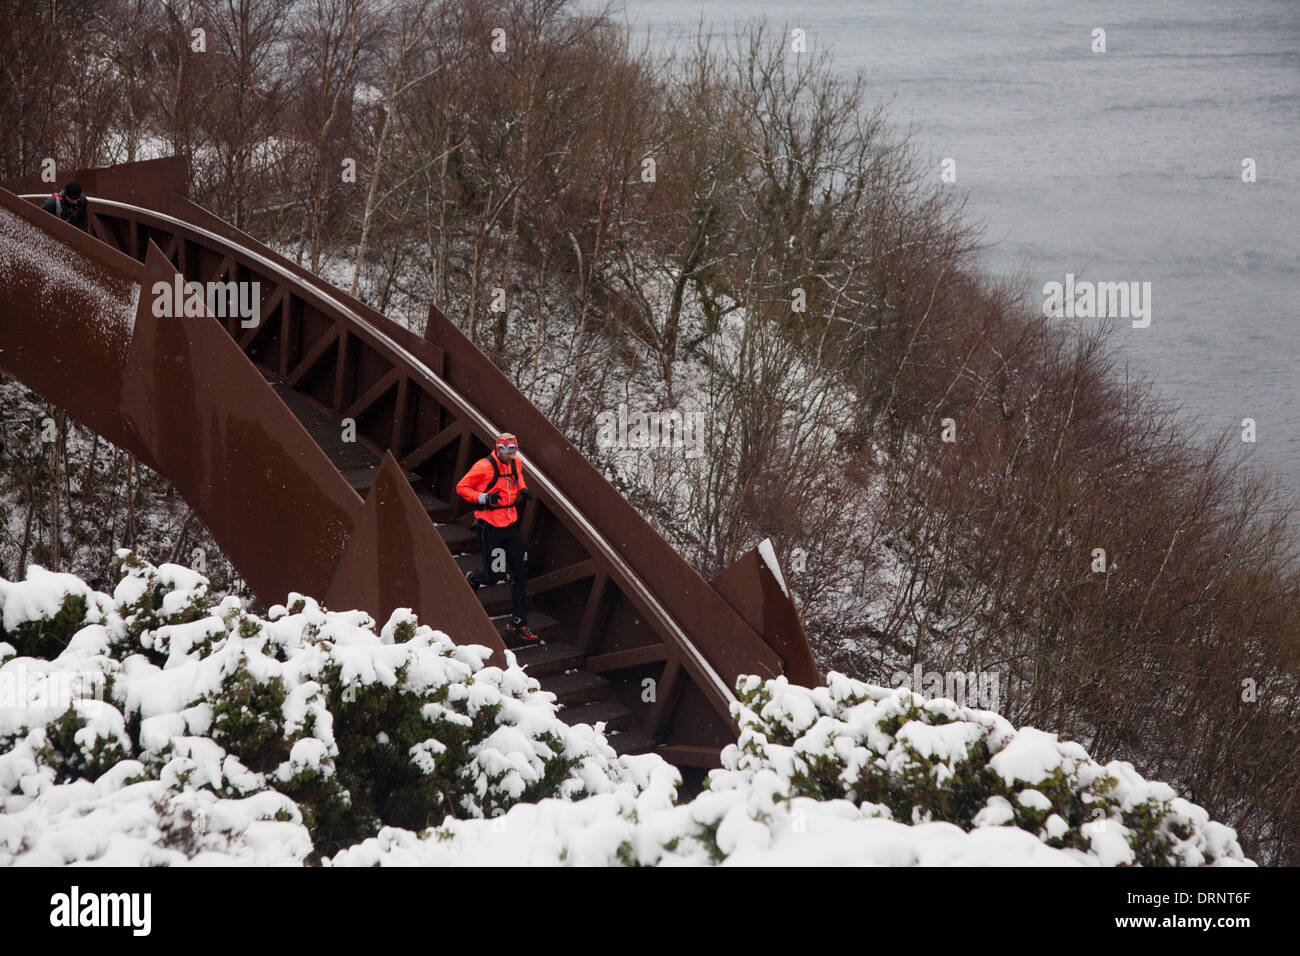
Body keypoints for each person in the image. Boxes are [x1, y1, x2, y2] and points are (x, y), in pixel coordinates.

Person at [456, 432, 536, 640]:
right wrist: (484, 497)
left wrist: (524, 490)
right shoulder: (483, 466)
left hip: (509, 524)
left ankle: (519, 620)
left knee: (521, 572)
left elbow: (518, 479)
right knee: (494, 576)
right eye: (508, 452)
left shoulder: (516, 462)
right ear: (499, 449)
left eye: (514, 452)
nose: (511, 456)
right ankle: (473, 578)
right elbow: (462, 487)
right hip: (489, 526)